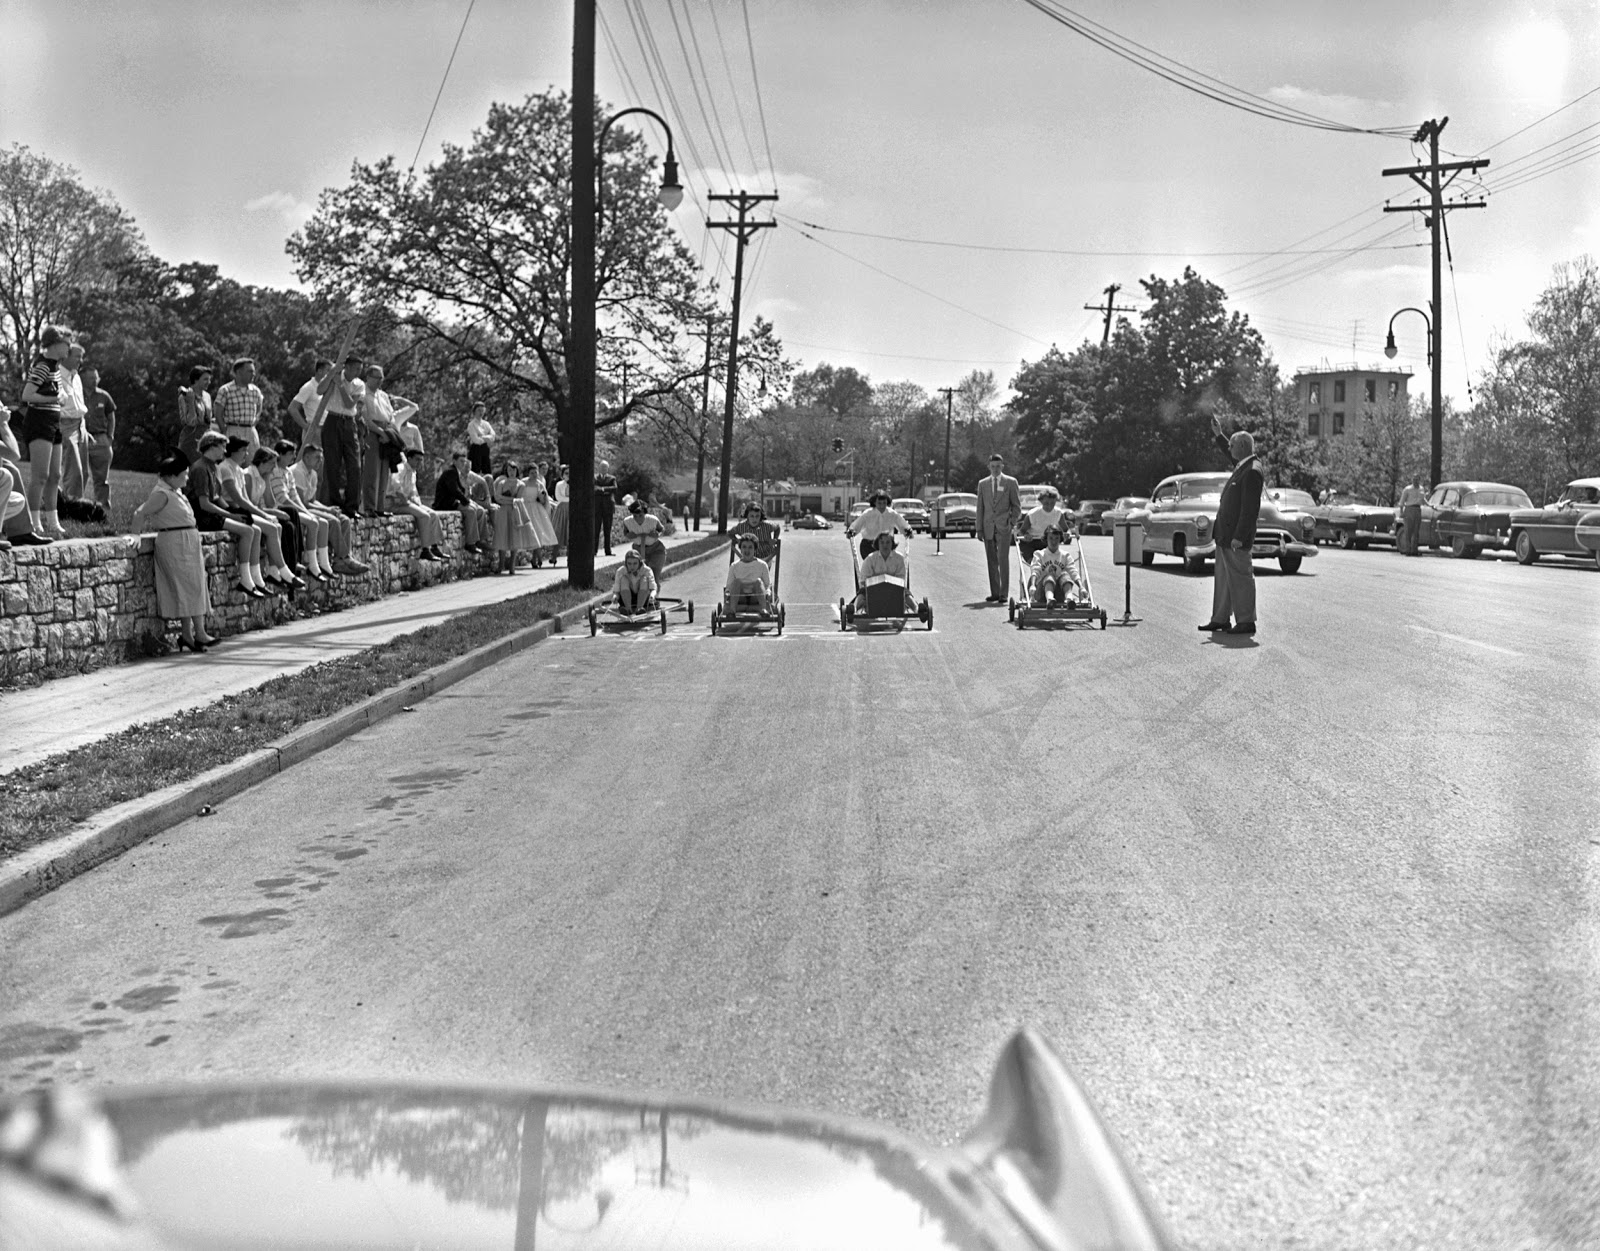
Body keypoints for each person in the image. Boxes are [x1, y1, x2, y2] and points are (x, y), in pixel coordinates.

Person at [131, 452, 215, 652]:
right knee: (188, 587)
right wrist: (135, 535)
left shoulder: (174, 491)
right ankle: (199, 634)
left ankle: (188, 635)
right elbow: (140, 512)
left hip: (186, 542)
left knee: (191, 587)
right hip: (175, 543)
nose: (187, 477)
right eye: (183, 474)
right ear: (170, 476)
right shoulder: (162, 494)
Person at [1200, 415, 1263, 637]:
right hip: (1225, 535)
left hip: (1236, 538)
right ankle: (1220, 619)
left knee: (1241, 578)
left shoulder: (1253, 470)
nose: (1229, 447)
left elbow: (1250, 509)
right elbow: (1230, 453)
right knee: (1224, 579)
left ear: (1243, 447)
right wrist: (1219, 435)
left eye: (1232, 444)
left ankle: (1246, 620)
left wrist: (1240, 536)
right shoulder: (1244, 464)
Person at [187, 431, 269, 598]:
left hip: (212, 512)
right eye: (222, 447)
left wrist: (235, 512)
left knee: (255, 529)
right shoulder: (200, 468)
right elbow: (205, 504)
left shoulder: (213, 467)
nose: (225, 451)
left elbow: (217, 498)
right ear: (211, 446)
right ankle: (245, 579)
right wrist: (231, 516)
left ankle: (256, 578)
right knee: (248, 531)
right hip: (203, 516)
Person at [218, 435, 300, 589]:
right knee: (270, 527)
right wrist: (265, 515)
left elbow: (258, 501)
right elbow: (241, 500)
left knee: (279, 527)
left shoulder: (236, 469)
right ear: (234, 452)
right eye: (243, 451)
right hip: (234, 510)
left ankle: (272, 571)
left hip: (243, 509)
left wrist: (267, 481)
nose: (246, 454)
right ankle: (281, 572)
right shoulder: (227, 468)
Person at [20, 324, 73, 538]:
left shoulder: (55, 367)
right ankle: (33, 523)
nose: (68, 348)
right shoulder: (42, 366)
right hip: (39, 422)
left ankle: (52, 522)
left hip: (54, 421)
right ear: (54, 343)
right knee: (40, 476)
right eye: (66, 344)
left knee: (55, 475)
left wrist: (59, 399)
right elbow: (27, 395)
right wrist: (55, 398)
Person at [289, 443, 369, 575]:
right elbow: (304, 503)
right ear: (307, 457)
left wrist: (328, 508)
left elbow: (313, 500)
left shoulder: (313, 474)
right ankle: (346, 558)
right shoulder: (297, 472)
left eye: (321, 458)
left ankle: (339, 561)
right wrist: (327, 511)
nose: (320, 461)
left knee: (344, 520)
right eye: (317, 458)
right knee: (332, 521)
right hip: (301, 509)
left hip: (309, 506)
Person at [265, 440, 334, 581]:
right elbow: (283, 498)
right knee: (313, 523)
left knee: (321, 522)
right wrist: (304, 512)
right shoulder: (275, 471)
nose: (293, 457)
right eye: (290, 454)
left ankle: (323, 563)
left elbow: (295, 497)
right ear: (280, 455)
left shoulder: (287, 472)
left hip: (292, 508)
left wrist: (306, 512)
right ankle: (313, 564)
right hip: (281, 508)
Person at [360, 365, 417, 516]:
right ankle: (369, 507)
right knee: (372, 471)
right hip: (372, 432)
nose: (380, 381)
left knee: (384, 472)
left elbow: (391, 416)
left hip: (387, 432)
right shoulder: (362, 393)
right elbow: (364, 417)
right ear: (368, 377)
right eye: (377, 378)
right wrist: (379, 432)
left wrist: (389, 434)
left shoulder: (383, 395)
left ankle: (380, 507)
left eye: (381, 378)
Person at [317, 353, 367, 513]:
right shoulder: (334, 377)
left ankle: (352, 506)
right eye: (356, 368)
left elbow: (349, 404)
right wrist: (332, 374)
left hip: (349, 423)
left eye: (360, 369)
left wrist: (340, 385)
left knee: (355, 465)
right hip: (332, 420)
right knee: (333, 464)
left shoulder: (359, 384)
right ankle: (335, 504)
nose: (358, 372)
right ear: (347, 367)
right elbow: (319, 390)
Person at [976, 453, 1021, 603]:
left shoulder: (1010, 482)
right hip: (988, 527)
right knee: (991, 561)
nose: (995, 469)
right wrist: (979, 529)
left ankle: (1003, 593)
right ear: (989, 467)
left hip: (1004, 527)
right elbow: (980, 508)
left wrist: (1011, 522)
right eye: (993, 466)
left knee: (1003, 560)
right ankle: (994, 592)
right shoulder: (983, 484)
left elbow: (1016, 507)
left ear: (1002, 466)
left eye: (998, 466)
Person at [389, 449, 447, 561]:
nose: (419, 463)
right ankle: (425, 550)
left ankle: (434, 547)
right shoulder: (401, 469)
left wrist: (418, 504)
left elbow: (413, 492)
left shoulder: (413, 473)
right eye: (417, 459)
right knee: (424, 516)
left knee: (433, 514)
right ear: (409, 458)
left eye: (421, 460)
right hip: (395, 503)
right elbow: (395, 485)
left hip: (407, 502)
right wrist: (406, 500)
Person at [433, 449, 489, 551]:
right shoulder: (450, 472)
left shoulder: (457, 472)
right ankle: (470, 543)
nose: (463, 463)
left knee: (480, 510)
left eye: (464, 461)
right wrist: (466, 501)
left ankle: (481, 540)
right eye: (461, 461)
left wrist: (468, 500)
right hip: (446, 503)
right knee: (471, 511)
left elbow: (460, 490)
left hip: (455, 501)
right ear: (454, 461)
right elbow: (454, 490)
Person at [80, 364, 117, 510]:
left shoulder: (104, 395)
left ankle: (103, 509)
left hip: (101, 439)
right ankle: (78, 506)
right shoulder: (76, 393)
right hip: (81, 438)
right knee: (79, 475)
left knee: (102, 479)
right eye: (90, 378)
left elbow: (111, 417)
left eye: (96, 378)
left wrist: (110, 437)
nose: (94, 381)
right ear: (82, 379)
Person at [854, 528, 916, 614]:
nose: (885, 545)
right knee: (862, 592)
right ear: (877, 544)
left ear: (892, 544)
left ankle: (917, 609)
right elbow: (864, 580)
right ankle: (853, 609)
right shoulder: (870, 559)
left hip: (894, 591)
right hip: (873, 592)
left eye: (888, 542)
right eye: (882, 542)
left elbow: (901, 579)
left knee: (905, 592)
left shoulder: (899, 559)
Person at [490, 461, 534, 574]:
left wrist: (507, 499)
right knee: (502, 537)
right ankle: (501, 565)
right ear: (506, 471)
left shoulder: (521, 484)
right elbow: (497, 498)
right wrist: (511, 500)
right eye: (509, 470)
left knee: (514, 538)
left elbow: (519, 499)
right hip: (503, 511)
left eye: (514, 470)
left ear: (517, 471)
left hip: (515, 512)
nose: (512, 472)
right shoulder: (501, 483)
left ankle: (512, 566)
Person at [213, 358, 265, 451]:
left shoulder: (255, 390)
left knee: (253, 462)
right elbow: (218, 412)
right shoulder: (225, 390)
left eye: (253, 371)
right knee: (232, 462)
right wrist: (224, 430)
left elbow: (259, 406)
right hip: (233, 429)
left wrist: (256, 419)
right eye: (249, 371)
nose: (253, 374)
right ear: (239, 372)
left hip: (250, 431)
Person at [57, 343, 89, 500]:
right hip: (65, 424)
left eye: (81, 357)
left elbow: (79, 405)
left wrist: (84, 428)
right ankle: (72, 505)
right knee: (74, 469)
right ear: (66, 356)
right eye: (77, 356)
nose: (80, 360)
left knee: (84, 471)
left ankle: (73, 502)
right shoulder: (56, 375)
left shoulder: (76, 377)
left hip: (80, 424)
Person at [621, 494, 674, 580]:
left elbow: (662, 529)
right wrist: (628, 535)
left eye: (640, 515)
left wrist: (657, 534)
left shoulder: (652, 520)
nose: (638, 519)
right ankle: (642, 592)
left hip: (655, 549)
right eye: (635, 516)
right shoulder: (627, 521)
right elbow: (625, 532)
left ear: (645, 513)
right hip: (637, 550)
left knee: (653, 576)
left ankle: (654, 591)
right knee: (638, 576)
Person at [846, 490, 911, 560]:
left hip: (886, 546)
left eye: (884, 503)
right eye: (879, 503)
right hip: (869, 546)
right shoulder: (867, 514)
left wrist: (907, 530)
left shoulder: (892, 514)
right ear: (874, 502)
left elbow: (902, 524)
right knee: (871, 566)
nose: (882, 506)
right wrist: (852, 531)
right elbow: (857, 525)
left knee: (888, 567)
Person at [287, 357, 334, 447]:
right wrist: (306, 427)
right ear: (320, 371)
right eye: (328, 371)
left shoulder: (329, 387)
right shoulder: (309, 387)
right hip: (315, 429)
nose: (330, 374)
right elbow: (292, 408)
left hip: (328, 429)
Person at [1017, 486, 1070, 563]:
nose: (1049, 506)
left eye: (1052, 503)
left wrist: (1067, 534)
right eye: (1046, 503)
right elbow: (1021, 531)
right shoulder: (1033, 514)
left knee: (1052, 563)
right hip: (1031, 544)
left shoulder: (1058, 513)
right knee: (1036, 563)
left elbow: (1066, 529)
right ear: (1041, 502)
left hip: (1048, 543)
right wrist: (1026, 536)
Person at [521, 460, 559, 564]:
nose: (534, 475)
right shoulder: (523, 482)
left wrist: (542, 497)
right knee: (532, 534)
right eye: (532, 473)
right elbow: (519, 495)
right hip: (526, 508)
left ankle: (535, 559)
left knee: (537, 533)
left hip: (536, 509)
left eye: (535, 472)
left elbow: (544, 499)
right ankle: (538, 557)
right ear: (528, 473)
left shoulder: (539, 484)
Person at [1029, 526, 1078, 606]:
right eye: (1051, 538)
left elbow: (1073, 571)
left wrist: (1081, 587)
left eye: (1056, 538)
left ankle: (1069, 599)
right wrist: (1032, 585)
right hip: (1041, 592)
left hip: (1059, 593)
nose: (1054, 542)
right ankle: (1049, 599)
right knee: (1050, 576)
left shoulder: (1065, 555)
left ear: (1060, 539)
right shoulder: (1039, 554)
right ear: (1046, 539)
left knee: (1065, 575)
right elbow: (1035, 570)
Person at [725, 532, 771, 613]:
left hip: (756, 597)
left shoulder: (762, 565)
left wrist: (768, 592)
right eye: (744, 547)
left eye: (750, 547)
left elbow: (767, 585)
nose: (747, 550)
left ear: (755, 549)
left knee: (758, 581)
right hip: (739, 598)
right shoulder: (734, 566)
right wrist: (727, 593)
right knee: (737, 581)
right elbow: (729, 586)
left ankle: (763, 609)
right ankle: (732, 611)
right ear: (740, 549)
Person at [177, 365, 213, 463]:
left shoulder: (207, 396)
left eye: (209, 379)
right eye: (205, 379)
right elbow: (189, 422)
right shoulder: (184, 396)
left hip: (205, 438)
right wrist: (191, 402)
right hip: (190, 438)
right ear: (196, 380)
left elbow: (209, 419)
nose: (209, 382)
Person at [613, 546, 657, 614]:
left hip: (644, 598)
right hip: (625, 599)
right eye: (629, 564)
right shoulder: (620, 571)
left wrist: (652, 596)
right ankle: (627, 609)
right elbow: (616, 591)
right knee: (624, 579)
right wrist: (615, 597)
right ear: (626, 563)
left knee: (644, 578)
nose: (632, 567)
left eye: (635, 563)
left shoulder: (647, 570)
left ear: (639, 562)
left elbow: (653, 588)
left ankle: (639, 608)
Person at [593, 458, 619, 555]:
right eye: (602, 467)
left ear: (607, 468)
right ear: (599, 468)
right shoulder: (594, 478)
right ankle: (594, 551)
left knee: (607, 530)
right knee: (596, 529)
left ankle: (608, 551)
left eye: (605, 467)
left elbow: (615, 489)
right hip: (597, 507)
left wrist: (602, 489)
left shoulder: (612, 478)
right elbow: (594, 489)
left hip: (608, 507)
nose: (603, 469)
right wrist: (606, 491)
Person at [1397, 474, 1425, 556]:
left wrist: (1429, 504)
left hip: (1418, 509)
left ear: (1419, 480)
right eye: (1414, 479)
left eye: (1417, 479)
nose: (1415, 481)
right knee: (1408, 530)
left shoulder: (1421, 489)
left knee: (1416, 531)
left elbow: (1423, 499)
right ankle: (1408, 550)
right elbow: (1402, 502)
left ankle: (1414, 550)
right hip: (1409, 509)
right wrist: (1401, 512)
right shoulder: (1407, 489)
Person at [466, 402, 495, 475]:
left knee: (487, 472)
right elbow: (476, 440)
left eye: (482, 410)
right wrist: (486, 438)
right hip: (475, 450)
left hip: (485, 449)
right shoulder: (471, 424)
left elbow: (493, 435)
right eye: (479, 410)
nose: (481, 412)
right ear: (474, 411)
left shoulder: (486, 424)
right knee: (475, 472)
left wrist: (483, 437)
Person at [551, 463, 570, 553]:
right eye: (566, 473)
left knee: (570, 533)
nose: (568, 475)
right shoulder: (559, 484)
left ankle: (570, 556)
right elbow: (558, 497)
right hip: (561, 510)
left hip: (571, 510)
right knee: (558, 532)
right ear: (562, 475)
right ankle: (554, 555)